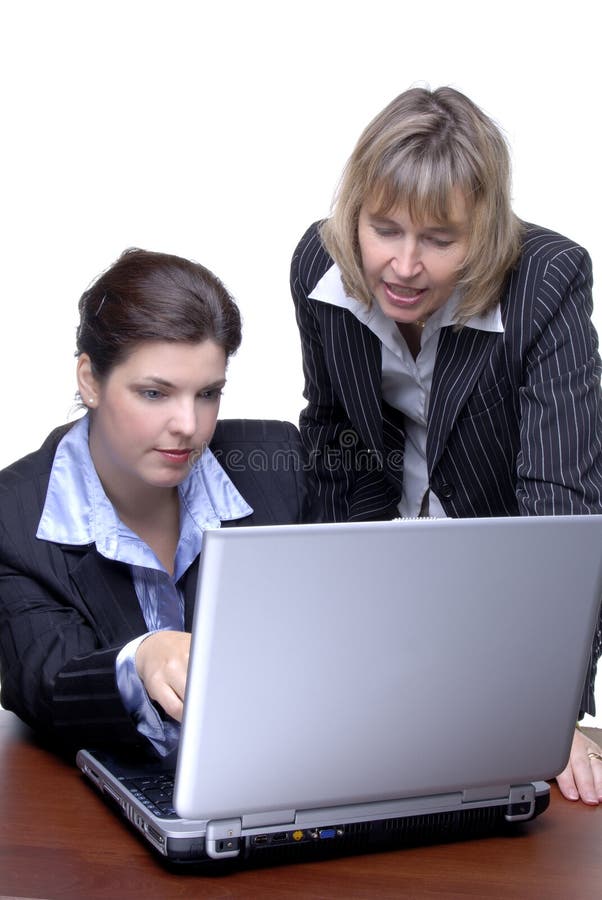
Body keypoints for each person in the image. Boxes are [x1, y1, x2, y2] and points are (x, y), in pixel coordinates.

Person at [290, 86, 602, 804]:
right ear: (354, 214)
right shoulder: (318, 266)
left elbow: (560, 510)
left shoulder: (545, 283)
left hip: (502, 583)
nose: (403, 266)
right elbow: (335, 442)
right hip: (392, 581)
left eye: (438, 239)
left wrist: (542, 709)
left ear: (483, 231)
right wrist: (326, 637)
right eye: (385, 229)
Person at [0, 248, 311, 756]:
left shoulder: (280, 466)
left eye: (208, 393)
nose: (188, 425)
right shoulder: (13, 517)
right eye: (154, 394)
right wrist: (140, 659)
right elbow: (44, 683)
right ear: (89, 380)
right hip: (105, 810)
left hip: (281, 768)